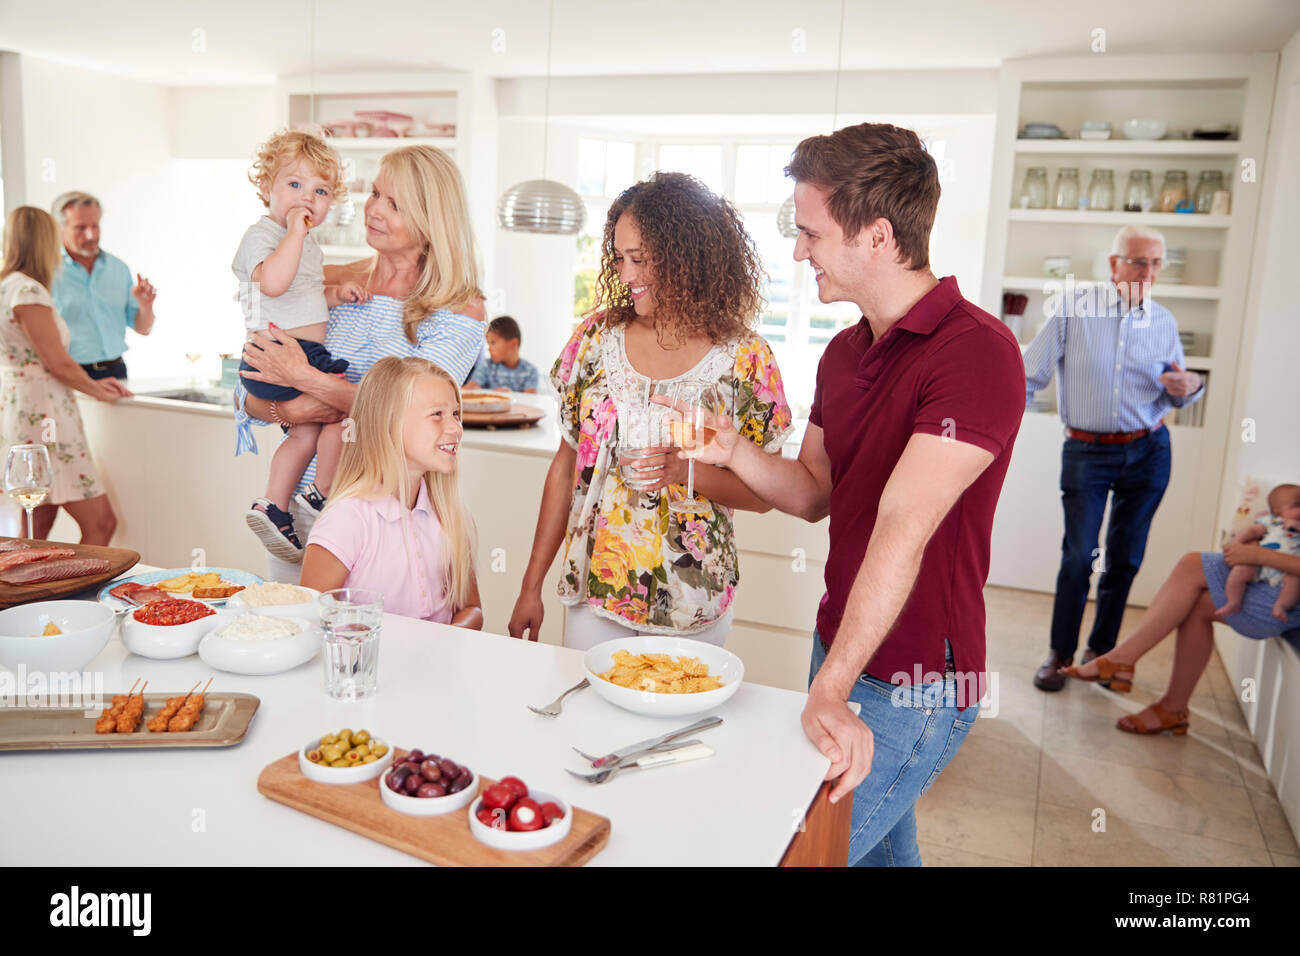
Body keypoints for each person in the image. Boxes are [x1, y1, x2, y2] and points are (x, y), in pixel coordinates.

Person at [684, 124, 1025, 866]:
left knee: (797, 853)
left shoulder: (977, 353)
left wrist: (830, 688)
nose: (798, 251)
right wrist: (735, 451)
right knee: (873, 858)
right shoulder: (845, 351)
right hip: (842, 642)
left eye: (810, 232)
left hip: (917, 679)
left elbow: (902, 528)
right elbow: (811, 494)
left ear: (876, 237)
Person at [507, 171, 792, 651]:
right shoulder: (595, 340)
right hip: (596, 589)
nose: (625, 274)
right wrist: (529, 585)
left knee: (679, 723)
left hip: (693, 598)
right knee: (587, 718)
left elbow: (765, 494)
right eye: (619, 258)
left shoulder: (747, 360)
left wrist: (683, 471)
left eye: (640, 259)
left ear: (689, 256)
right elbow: (564, 466)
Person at [235, 145, 487, 576]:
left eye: (395, 204)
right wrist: (289, 407)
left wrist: (303, 378)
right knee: (293, 631)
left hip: (385, 515)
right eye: (374, 193)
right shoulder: (327, 279)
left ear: (431, 222)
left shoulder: (458, 310)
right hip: (293, 515)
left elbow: (409, 414)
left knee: (370, 638)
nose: (373, 210)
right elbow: (249, 390)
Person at [1025, 224, 1205, 692]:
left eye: (1156, 263)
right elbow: (1030, 376)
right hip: (1086, 452)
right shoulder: (1073, 310)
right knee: (1078, 558)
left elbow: (1180, 388)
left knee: (1124, 559)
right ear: (1114, 264)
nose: (1148, 272)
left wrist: (1192, 386)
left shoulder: (1163, 322)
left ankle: (1101, 653)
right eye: (1138, 261)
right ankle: (1060, 654)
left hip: (1148, 450)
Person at [233, 130, 367, 561]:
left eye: (320, 191)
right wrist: (293, 232)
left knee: (308, 431)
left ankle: (275, 504)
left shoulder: (305, 244)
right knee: (344, 411)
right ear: (265, 188)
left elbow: (302, 298)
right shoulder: (263, 236)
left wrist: (335, 295)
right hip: (278, 353)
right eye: (294, 185)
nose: (306, 198)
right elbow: (273, 283)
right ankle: (320, 495)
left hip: (297, 349)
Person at [1061, 515, 1300, 734]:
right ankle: (1172, 708)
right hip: (1280, 578)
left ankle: (1120, 661)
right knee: (1196, 605)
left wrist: (1257, 555)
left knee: (1192, 563)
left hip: (1290, 595)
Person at [300, 357, 482, 628]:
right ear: (388, 425)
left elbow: (471, 608)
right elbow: (310, 620)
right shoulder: (347, 519)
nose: (456, 428)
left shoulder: (451, 515)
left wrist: (442, 643)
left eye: (456, 414)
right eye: (437, 414)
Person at [0, 206, 132, 544]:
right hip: (45, 415)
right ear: (44, 241)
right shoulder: (28, 291)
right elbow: (55, 362)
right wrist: (98, 390)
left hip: (20, 411)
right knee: (100, 522)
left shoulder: (6, 286)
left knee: (35, 527)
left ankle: (27, 597)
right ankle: (75, 596)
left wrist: (91, 384)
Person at [49, 191, 156, 381]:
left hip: (116, 372)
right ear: (60, 228)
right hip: (71, 375)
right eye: (80, 228)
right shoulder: (48, 271)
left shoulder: (118, 269)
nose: (91, 235)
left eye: (95, 226)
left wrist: (145, 305)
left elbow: (143, 328)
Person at [1214, 484, 1300, 621]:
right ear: (1277, 512)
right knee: (1241, 570)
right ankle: (1234, 601)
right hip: (1260, 565)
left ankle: (1281, 606)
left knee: (1295, 580)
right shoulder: (1271, 521)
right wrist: (1235, 542)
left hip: (1286, 569)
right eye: (1297, 505)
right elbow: (1253, 531)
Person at [463, 315, 539, 392]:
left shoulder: (530, 371)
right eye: (488, 344)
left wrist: (510, 396)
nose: (489, 348)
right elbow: (470, 387)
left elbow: (530, 399)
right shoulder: (486, 366)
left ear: (513, 344)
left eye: (493, 343)